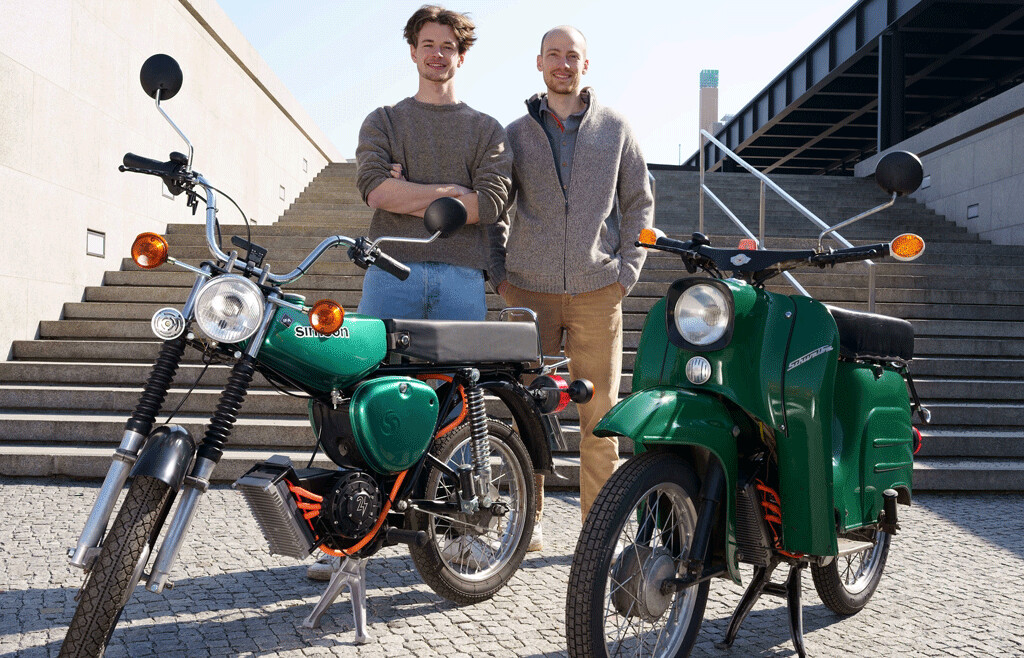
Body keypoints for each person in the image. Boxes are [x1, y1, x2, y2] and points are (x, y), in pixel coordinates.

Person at [309, 5, 512, 581]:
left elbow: (492, 202)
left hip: (460, 281)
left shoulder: (486, 129)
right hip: (388, 273)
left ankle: (465, 536)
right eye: (428, 43)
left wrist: (412, 190)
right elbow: (374, 191)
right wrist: (451, 191)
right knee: (362, 397)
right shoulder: (384, 119)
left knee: (462, 410)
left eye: (447, 45)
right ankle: (345, 535)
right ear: (413, 50)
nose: (437, 53)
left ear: (461, 55)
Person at [490, 25, 654, 547]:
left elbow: (639, 205)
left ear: (587, 64)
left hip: (595, 289)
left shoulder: (616, 128)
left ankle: (595, 533)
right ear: (539, 63)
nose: (563, 64)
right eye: (554, 55)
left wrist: (626, 271)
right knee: (524, 410)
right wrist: (498, 272)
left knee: (599, 416)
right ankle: (527, 521)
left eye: (573, 56)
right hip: (527, 291)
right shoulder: (513, 133)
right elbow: (493, 206)